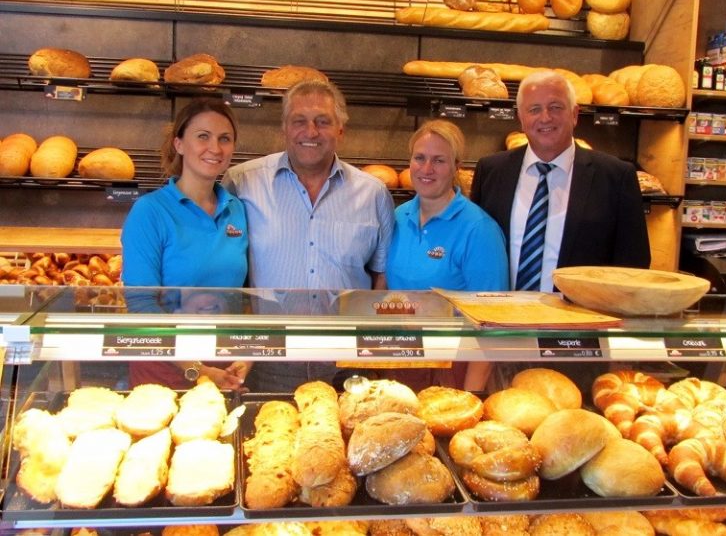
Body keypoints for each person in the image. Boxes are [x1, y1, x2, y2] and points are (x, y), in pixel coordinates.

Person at [222, 79, 395, 391]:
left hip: (347, 362)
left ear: (341, 130)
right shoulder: (242, 183)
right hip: (271, 358)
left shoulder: (373, 194)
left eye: (323, 122)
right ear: (285, 129)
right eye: (299, 121)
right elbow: (229, 272)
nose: (311, 132)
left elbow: (380, 279)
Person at [471, 69, 651, 293]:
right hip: (500, 320)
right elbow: (475, 250)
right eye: (534, 109)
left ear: (575, 114)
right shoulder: (491, 171)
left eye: (555, 107)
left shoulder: (616, 177)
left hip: (581, 322)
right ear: (521, 118)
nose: (545, 117)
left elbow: (633, 266)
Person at [121, 98, 250, 390]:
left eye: (224, 139)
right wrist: (197, 368)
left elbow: (242, 296)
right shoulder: (150, 211)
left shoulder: (236, 210)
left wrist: (245, 354)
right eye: (202, 136)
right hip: (165, 373)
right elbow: (141, 305)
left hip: (222, 365)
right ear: (179, 143)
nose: (215, 148)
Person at [384, 120, 509, 391]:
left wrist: (471, 396)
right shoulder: (398, 217)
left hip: (452, 369)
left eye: (439, 160)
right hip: (399, 359)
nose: (426, 169)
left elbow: (491, 324)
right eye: (420, 158)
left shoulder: (479, 230)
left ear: (456, 167)